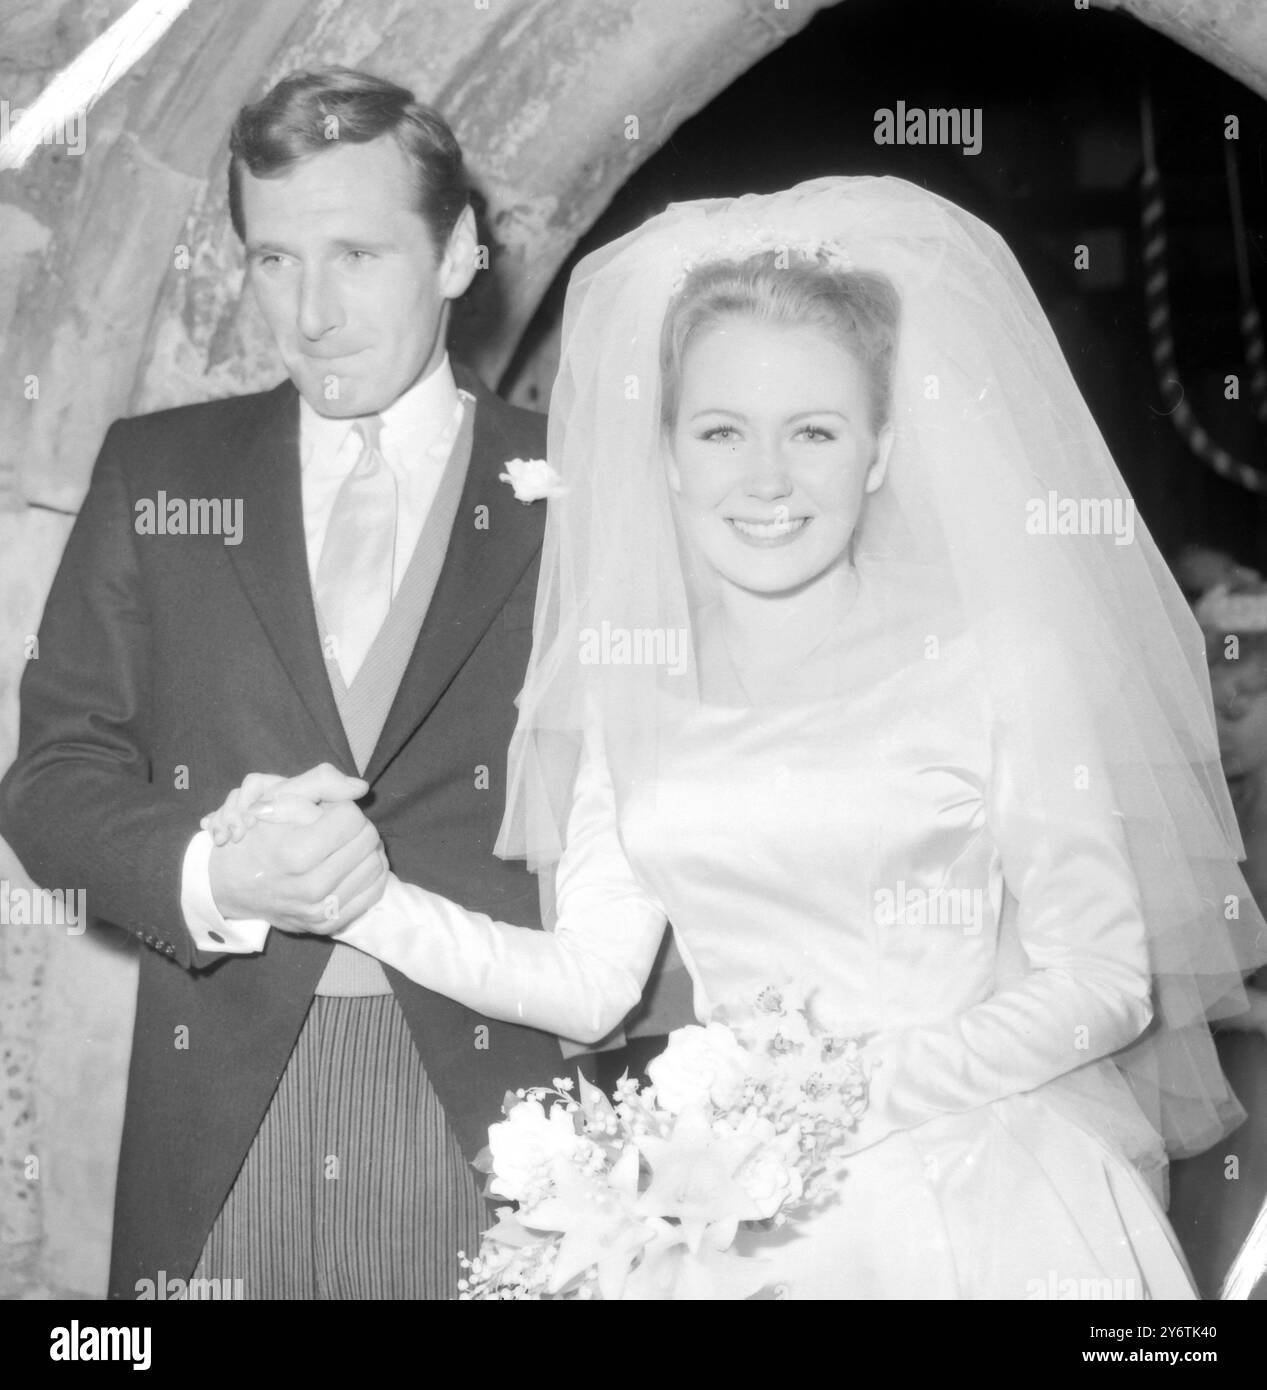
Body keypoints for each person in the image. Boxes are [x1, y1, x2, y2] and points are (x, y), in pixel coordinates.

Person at [208, 177, 1267, 1298]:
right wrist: (356, 895)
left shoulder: (999, 662)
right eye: (722, 431)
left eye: (813, 430)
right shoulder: (633, 683)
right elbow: (587, 984)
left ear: (878, 448)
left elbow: (1103, 980)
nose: (766, 479)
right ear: (667, 452)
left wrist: (832, 1097)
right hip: (722, 1228)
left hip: (974, 1208)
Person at [0, 66, 687, 1302]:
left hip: (504, 1121)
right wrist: (217, 873)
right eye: (274, 261)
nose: (310, 312)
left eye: (357, 255)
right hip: (219, 1118)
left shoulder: (592, 486)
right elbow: (47, 783)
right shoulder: (155, 472)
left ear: (460, 253)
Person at [1166, 577, 1267, 1298]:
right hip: (1191, 1047)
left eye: (1242, 704)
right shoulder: (1174, 808)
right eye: (1208, 708)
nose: (1221, 727)